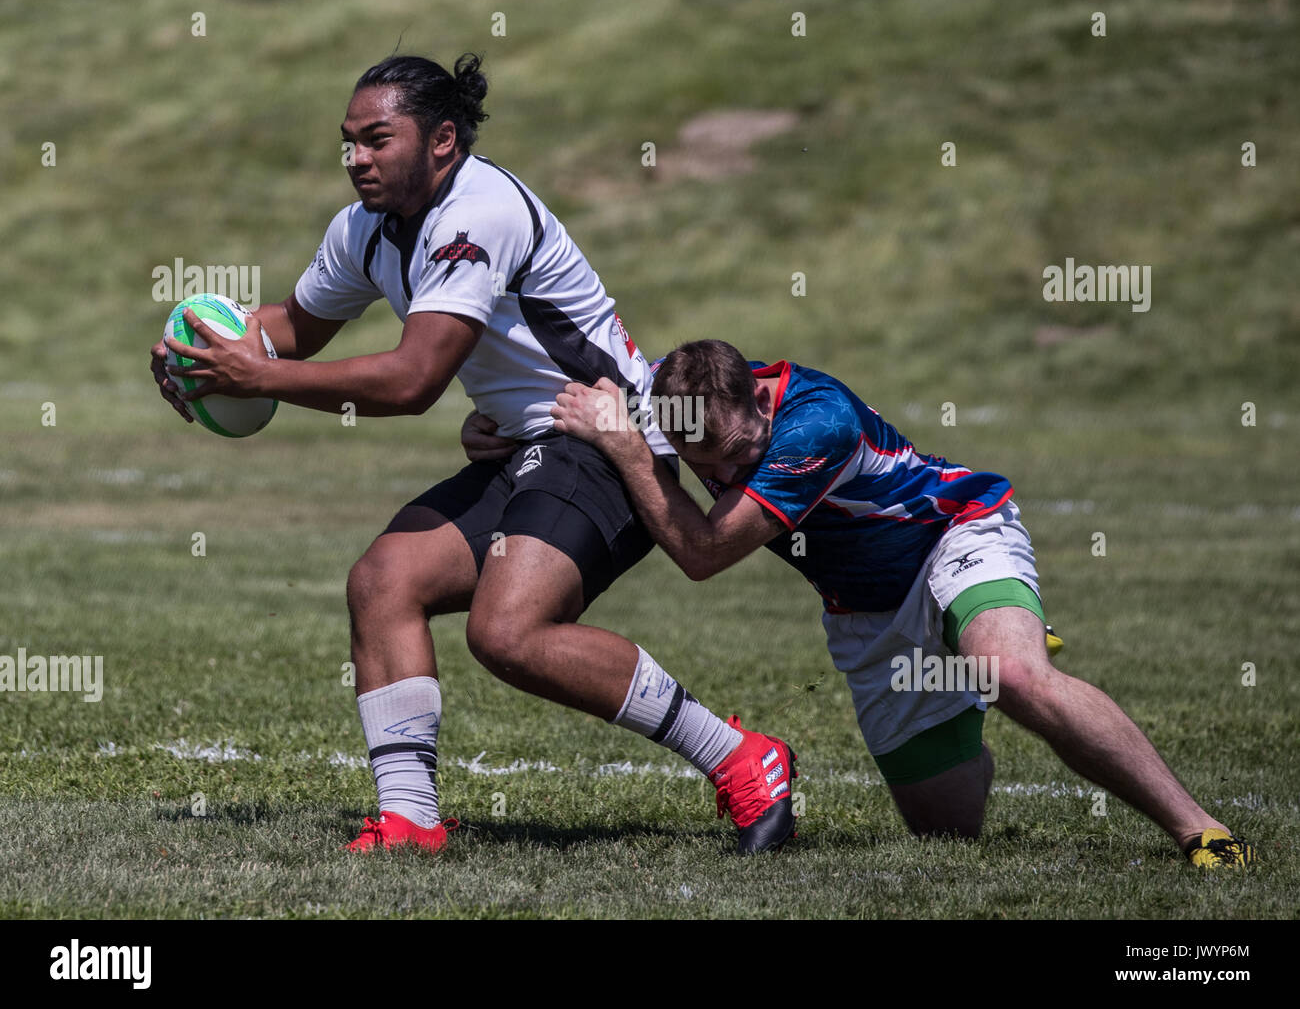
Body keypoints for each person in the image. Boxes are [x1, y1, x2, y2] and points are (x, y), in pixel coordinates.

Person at [150, 56, 795, 856]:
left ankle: (743, 758)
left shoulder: (478, 212)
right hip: (526, 444)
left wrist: (266, 377)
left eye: (377, 140)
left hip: (606, 437)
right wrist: (203, 348)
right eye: (348, 143)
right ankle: (410, 819)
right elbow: (294, 327)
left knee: (508, 632)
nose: (357, 159)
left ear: (443, 140)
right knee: (383, 581)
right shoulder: (363, 230)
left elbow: (414, 379)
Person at [538, 338, 1255, 867]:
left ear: (760, 397)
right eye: (705, 466)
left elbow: (703, 553)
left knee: (1015, 677)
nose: (723, 472)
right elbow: (583, 398)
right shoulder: (685, 406)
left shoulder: (817, 425)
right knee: (947, 836)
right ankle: (969, 657)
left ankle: (1202, 830)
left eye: (735, 452)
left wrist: (632, 452)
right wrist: (504, 436)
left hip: (953, 537)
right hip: (867, 617)